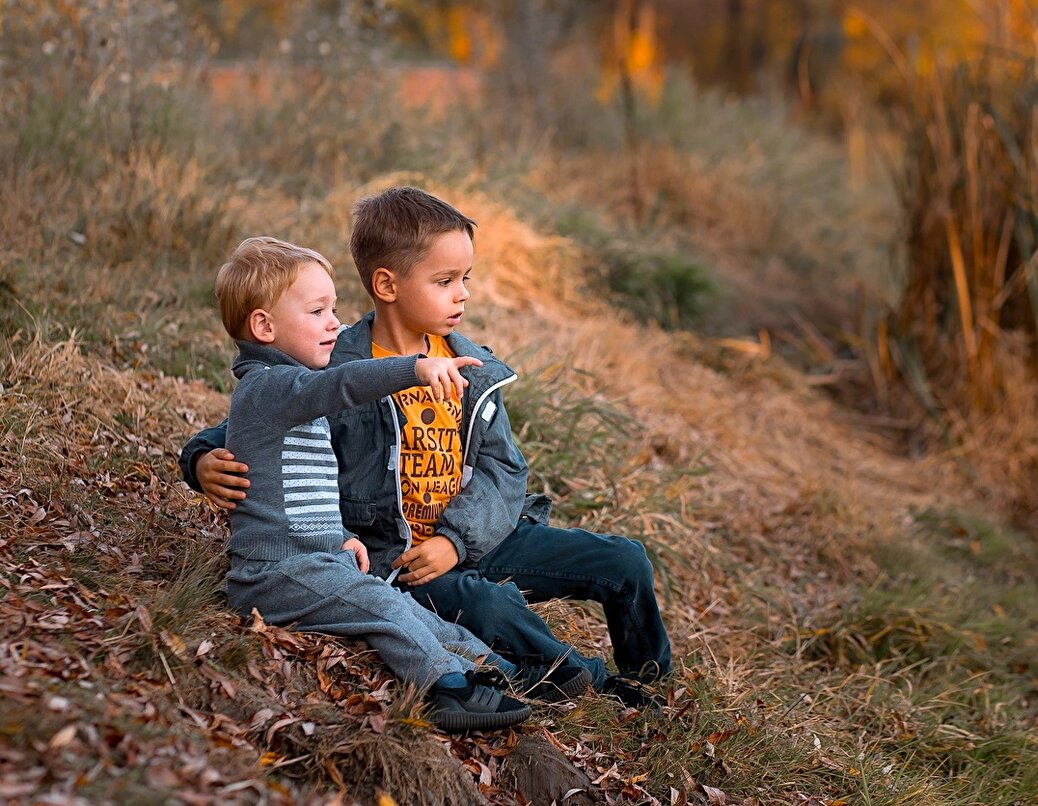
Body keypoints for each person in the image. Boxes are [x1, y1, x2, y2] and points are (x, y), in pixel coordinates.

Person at [181, 188, 671, 708]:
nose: (462, 295)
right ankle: (592, 684)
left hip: (475, 536)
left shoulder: (471, 368)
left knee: (624, 561)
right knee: (491, 607)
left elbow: (504, 469)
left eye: (465, 280)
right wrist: (201, 460)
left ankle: (652, 676)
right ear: (387, 284)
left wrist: (457, 543)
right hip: (403, 559)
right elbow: (255, 418)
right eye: (444, 281)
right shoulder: (332, 362)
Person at [209, 235, 586, 733]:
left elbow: (293, 492)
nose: (335, 325)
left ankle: (501, 673)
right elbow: (341, 384)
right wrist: (413, 368)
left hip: (315, 558)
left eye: (334, 310)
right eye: (318, 311)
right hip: (272, 572)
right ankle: (445, 690)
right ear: (264, 326)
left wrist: (336, 537)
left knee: (419, 615)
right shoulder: (270, 387)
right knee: (384, 606)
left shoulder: (294, 395)